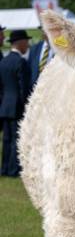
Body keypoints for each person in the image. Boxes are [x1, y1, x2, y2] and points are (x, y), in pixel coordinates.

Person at [0, 28, 29, 177]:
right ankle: (13, 169)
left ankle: (4, 168)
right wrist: (26, 106)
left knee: (6, 139)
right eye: (26, 42)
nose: (28, 45)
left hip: (5, 105)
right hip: (17, 105)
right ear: (20, 43)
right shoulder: (21, 62)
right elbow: (23, 87)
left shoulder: (3, 61)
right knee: (15, 140)